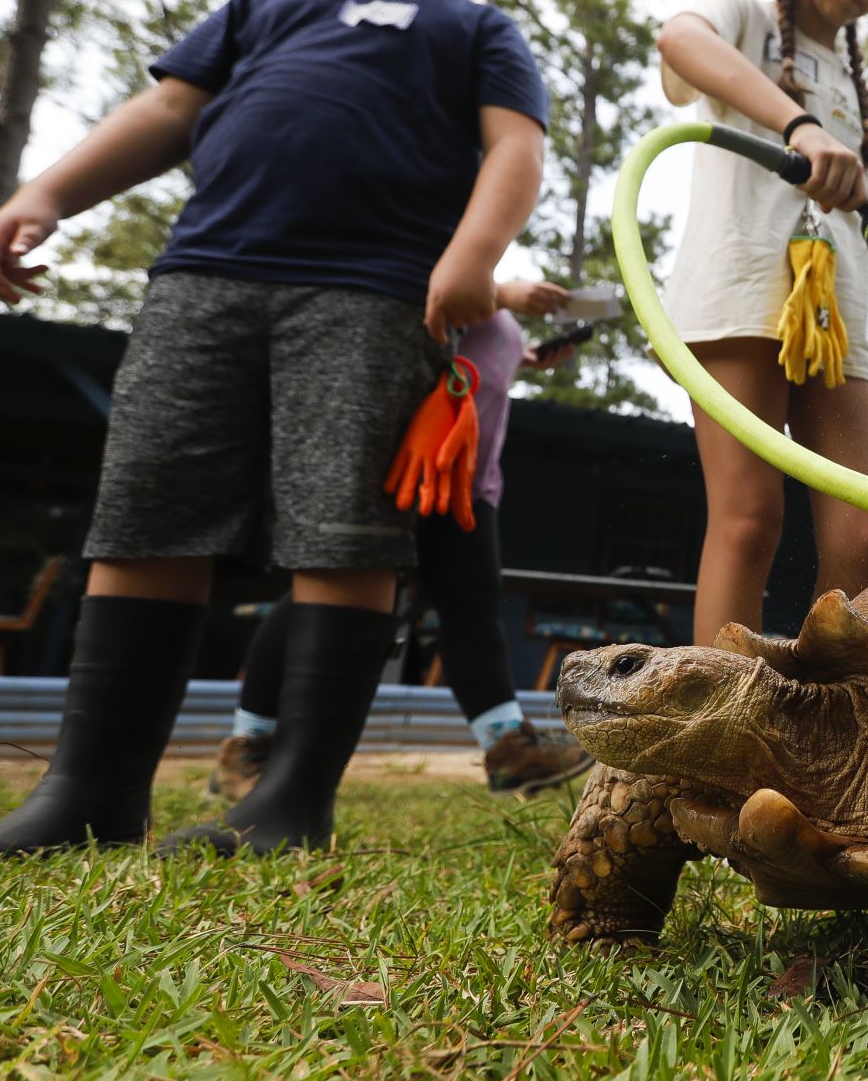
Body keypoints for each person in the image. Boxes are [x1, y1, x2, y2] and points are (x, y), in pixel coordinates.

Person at [0, 0, 550, 865]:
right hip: (203, 281)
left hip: (372, 297)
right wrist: (43, 196)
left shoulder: (475, 27)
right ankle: (89, 794)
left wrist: (473, 254)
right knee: (148, 513)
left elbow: (514, 149)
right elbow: (165, 113)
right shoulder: (266, 4)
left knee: (340, 533)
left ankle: (291, 800)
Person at [654, 0, 868, 641]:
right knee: (749, 518)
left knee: (865, 535)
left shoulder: (867, 98)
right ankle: (717, 743)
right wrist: (799, 126)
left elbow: (856, 232)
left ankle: (819, 734)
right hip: (738, 291)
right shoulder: (744, 16)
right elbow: (678, 38)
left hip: (838, 323)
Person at [210, 281, 591, 802]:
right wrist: (503, 295)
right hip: (406, 469)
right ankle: (247, 746)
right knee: (317, 594)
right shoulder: (455, 269)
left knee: (472, 609)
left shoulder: (486, 294)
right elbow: (433, 300)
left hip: (469, 483)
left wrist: (521, 357)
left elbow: (465, 360)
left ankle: (509, 750)